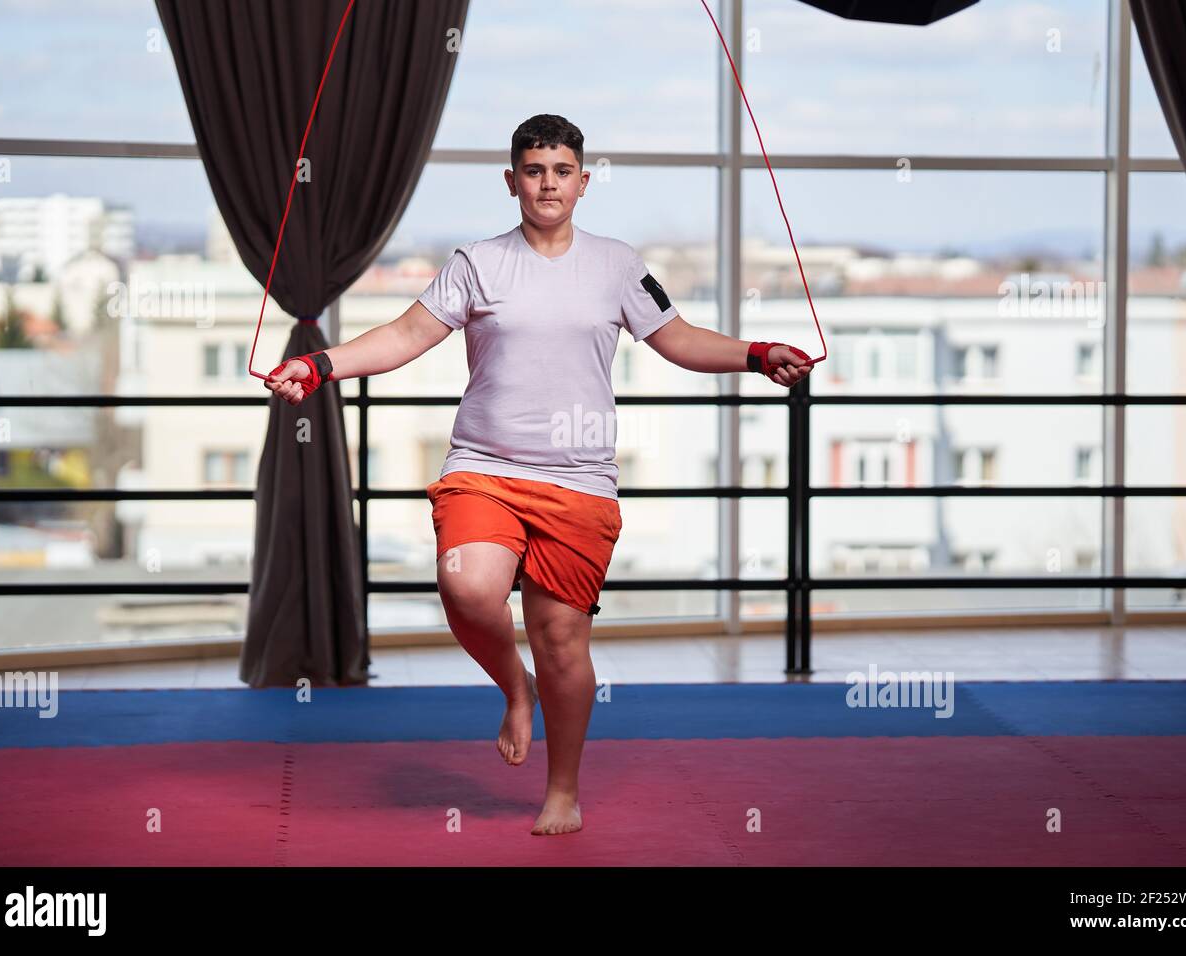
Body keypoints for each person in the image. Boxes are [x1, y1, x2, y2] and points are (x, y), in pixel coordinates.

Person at [266, 114, 813, 835]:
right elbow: (405, 336)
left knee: (561, 642)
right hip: (485, 467)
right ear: (512, 181)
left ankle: (563, 788)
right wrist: (319, 365)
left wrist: (758, 353)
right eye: (533, 171)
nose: (547, 184)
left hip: (579, 480)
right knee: (467, 585)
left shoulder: (617, 265)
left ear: (583, 182)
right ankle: (515, 688)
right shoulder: (477, 263)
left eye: (561, 171)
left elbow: (678, 339)